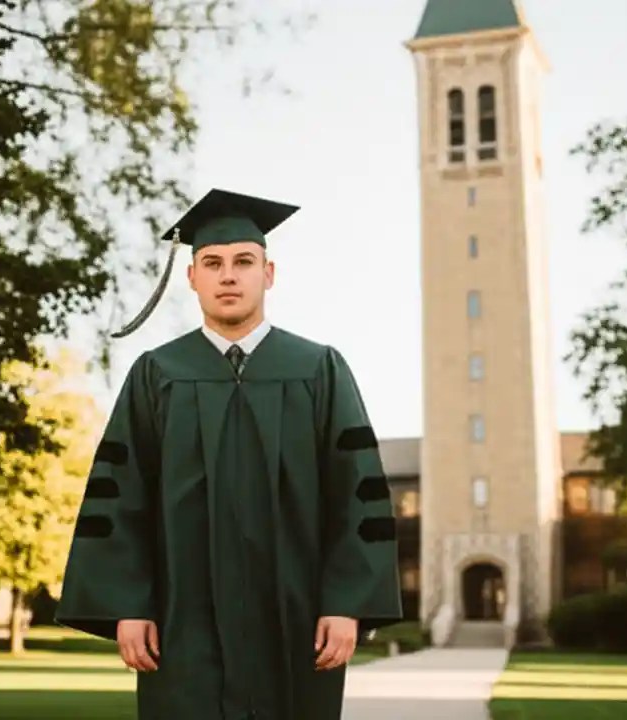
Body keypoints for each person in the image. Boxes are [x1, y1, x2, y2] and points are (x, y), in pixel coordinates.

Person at [56, 189, 402, 720]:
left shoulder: (319, 370)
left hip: (298, 616)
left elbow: (357, 496)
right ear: (192, 277)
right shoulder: (157, 374)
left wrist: (346, 603)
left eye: (244, 262)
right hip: (182, 619)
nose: (228, 276)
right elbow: (121, 495)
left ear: (269, 273)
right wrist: (129, 605)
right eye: (212, 263)